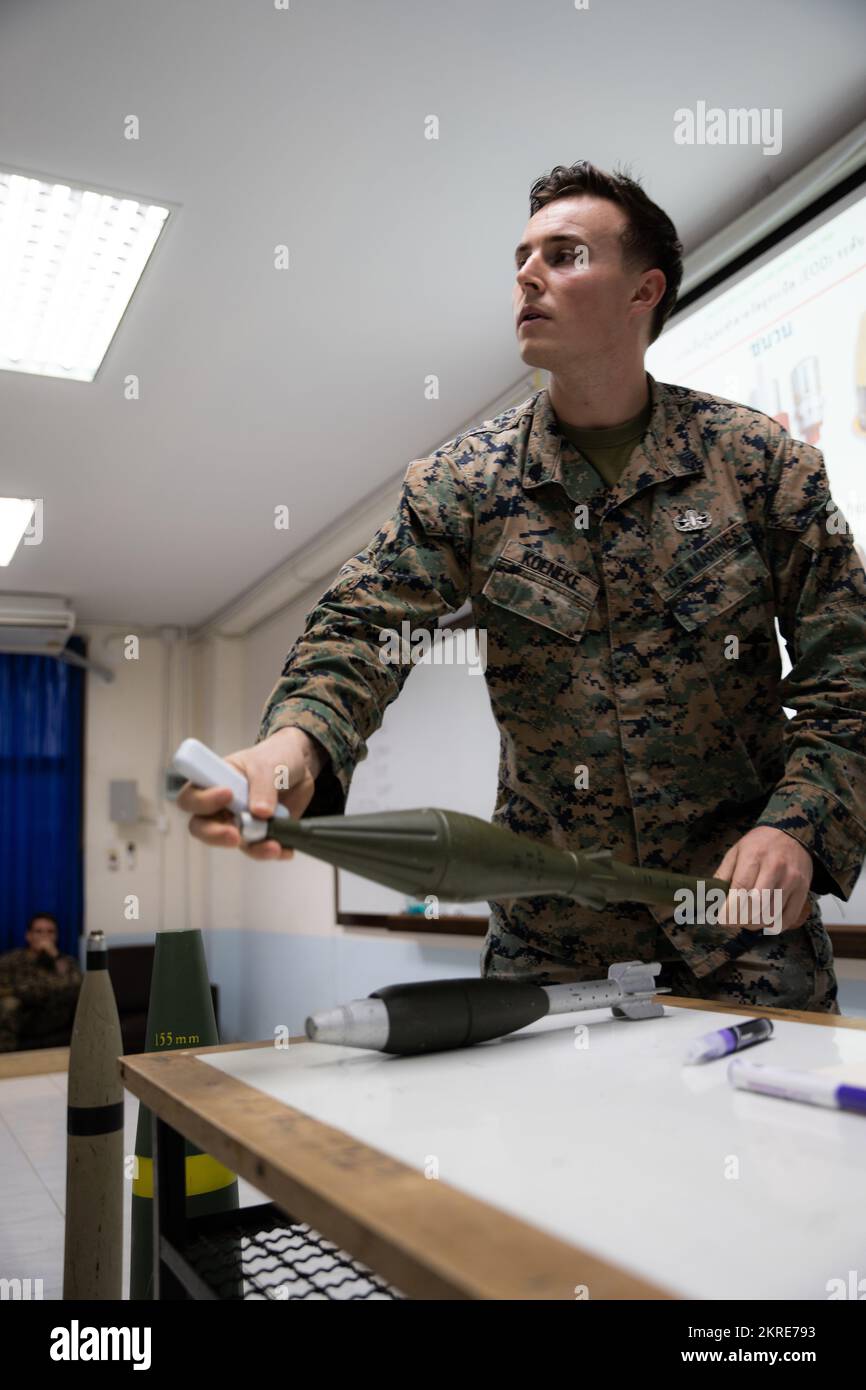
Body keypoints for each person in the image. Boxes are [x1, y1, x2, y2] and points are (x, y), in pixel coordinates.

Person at [179, 161, 866, 1013]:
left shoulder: (761, 465)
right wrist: (294, 748)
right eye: (522, 257)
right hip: (551, 947)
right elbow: (362, 627)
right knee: (542, 1152)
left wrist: (796, 827)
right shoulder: (466, 482)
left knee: (771, 1145)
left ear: (642, 291)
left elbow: (851, 689)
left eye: (566, 253)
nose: (527, 276)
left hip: (742, 933)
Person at [0, 913, 82, 1051]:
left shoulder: (64, 961)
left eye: (50, 932)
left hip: (51, 1016)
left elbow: (76, 987)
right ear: (28, 936)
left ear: (56, 936)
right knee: (9, 1004)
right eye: (38, 931)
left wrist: (55, 957)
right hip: (21, 1016)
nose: (45, 936)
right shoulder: (12, 960)